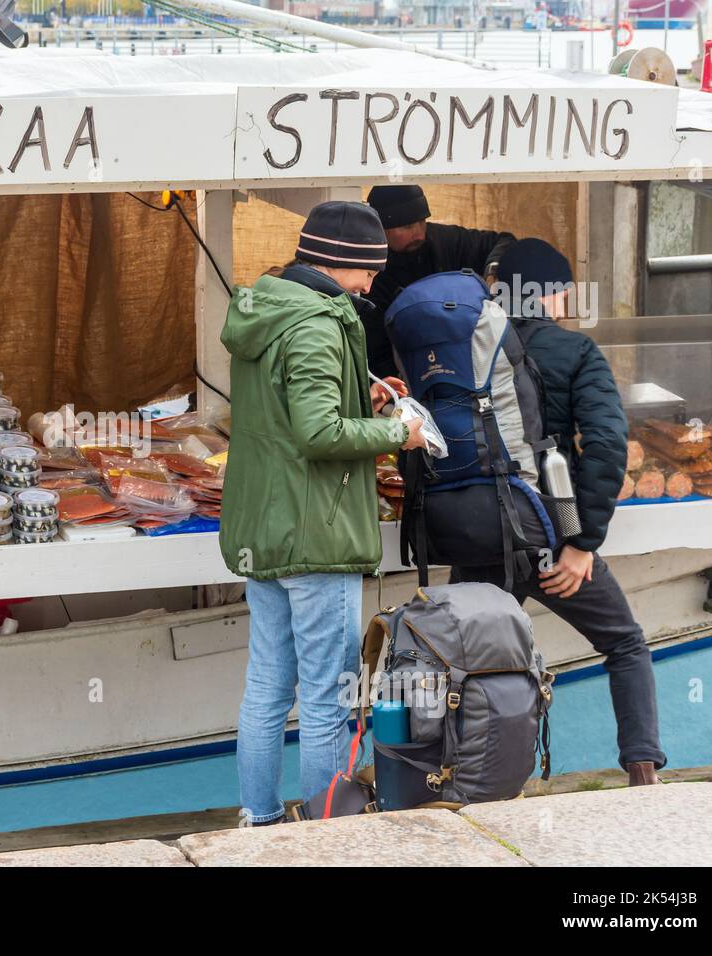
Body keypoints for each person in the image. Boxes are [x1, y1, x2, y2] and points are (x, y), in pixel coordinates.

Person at [219, 201, 427, 825]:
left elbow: (293, 410)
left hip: (265, 527)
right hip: (316, 532)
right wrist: (397, 434)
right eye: (369, 272)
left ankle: (259, 821)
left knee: (265, 688)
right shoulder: (315, 323)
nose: (371, 285)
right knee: (328, 696)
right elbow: (318, 434)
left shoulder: (270, 308)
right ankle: (323, 833)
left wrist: (356, 393)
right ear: (342, 264)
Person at [450, 238, 666, 787]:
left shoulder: (464, 347)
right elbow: (607, 444)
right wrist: (581, 542)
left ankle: (452, 781)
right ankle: (644, 779)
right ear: (556, 292)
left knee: (459, 663)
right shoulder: (575, 352)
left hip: (478, 531)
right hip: (550, 529)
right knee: (624, 643)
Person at [361, 184, 517, 379]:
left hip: (466, 360)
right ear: (381, 229)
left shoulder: (446, 240)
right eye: (407, 226)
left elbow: (504, 241)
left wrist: (493, 269)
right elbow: (374, 351)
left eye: (421, 221)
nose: (419, 233)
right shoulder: (367, 266)